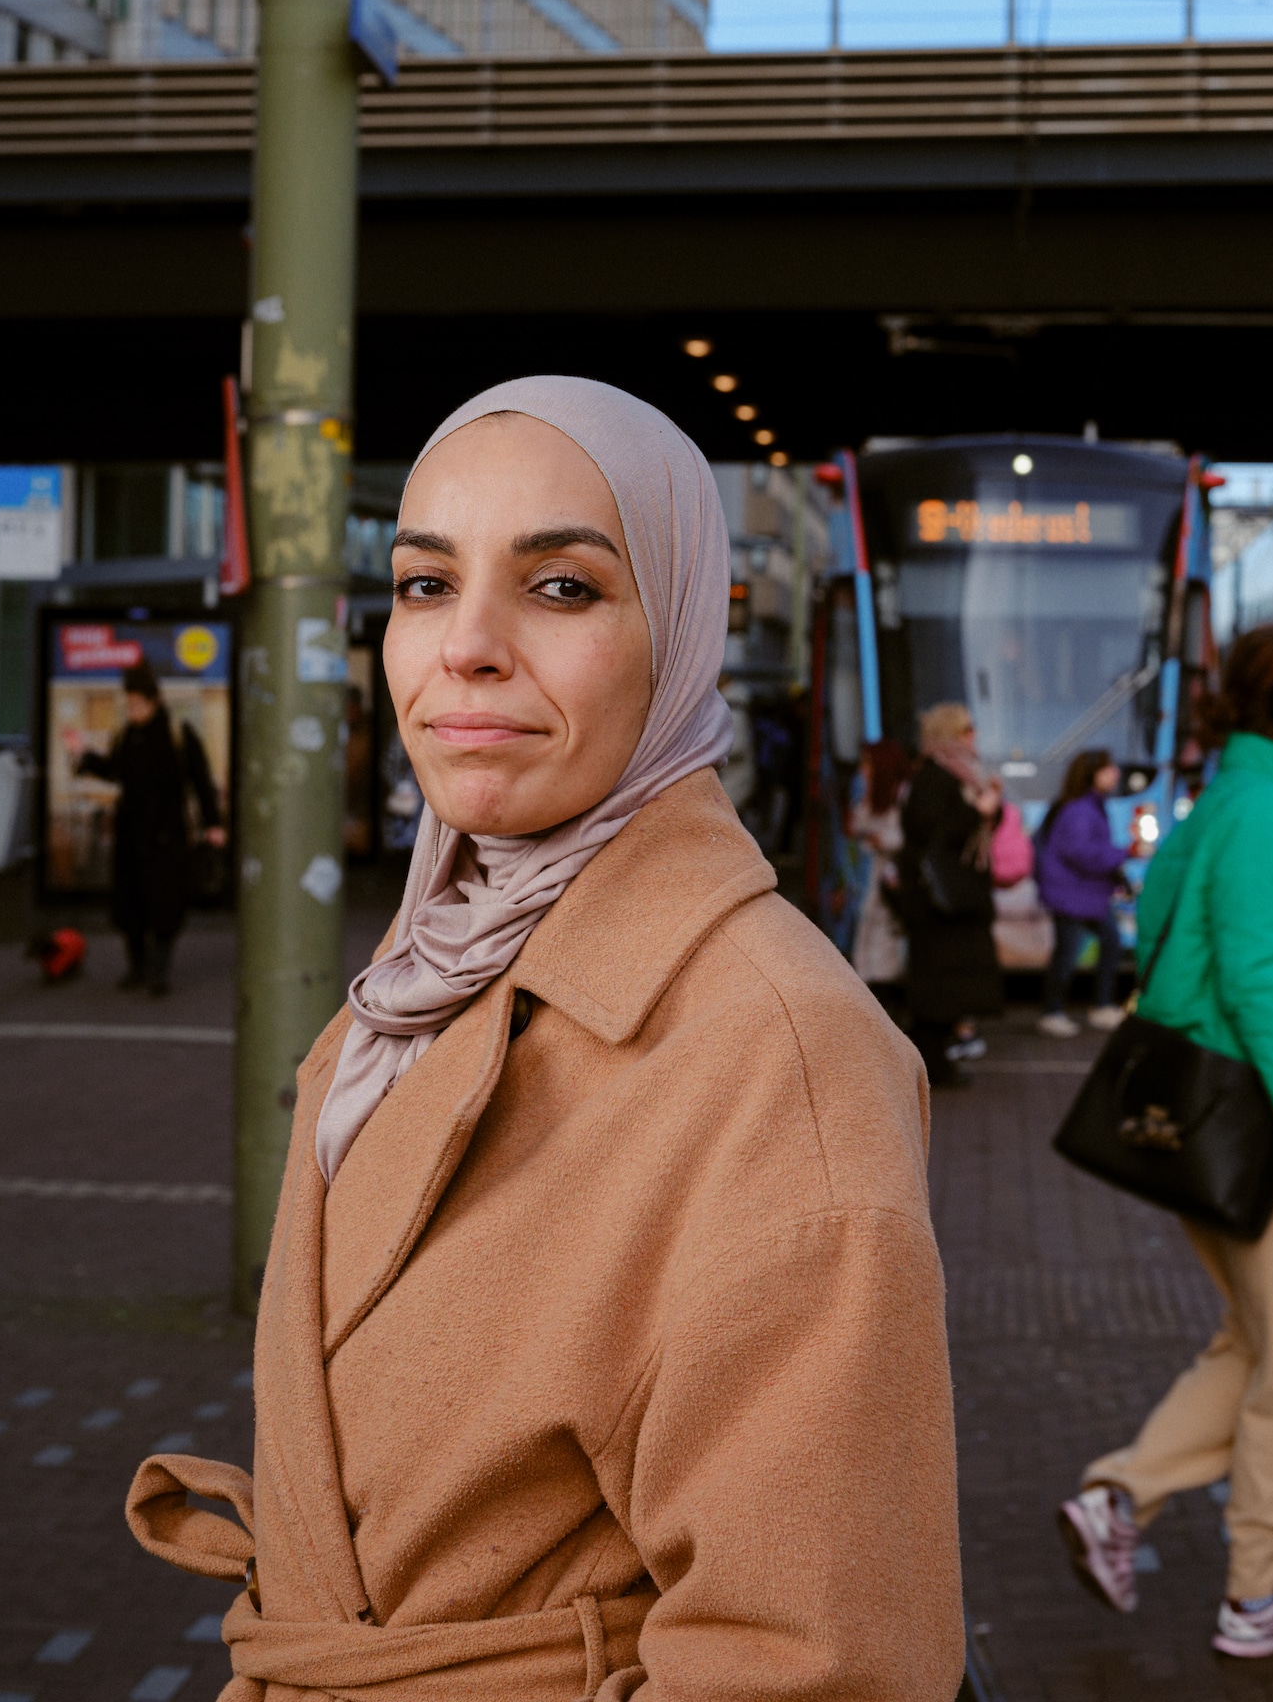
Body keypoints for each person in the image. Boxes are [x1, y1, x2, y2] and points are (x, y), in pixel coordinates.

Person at [122, 377, 963, 1698]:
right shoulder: (423, 972)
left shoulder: (778, 1053)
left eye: (562, 586)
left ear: (677, 633)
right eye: (422, 585)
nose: (466, 645)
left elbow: (817, 1663)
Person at [1056, 622, 1273, 1661]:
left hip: (1206, 1122)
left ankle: (1120, 1499)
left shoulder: (1224, 803)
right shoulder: (1270, 812)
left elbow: (1155, 931)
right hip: (1256, 1125)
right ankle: (1260, 1593)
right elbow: (1255, 977)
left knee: (1250, 1343)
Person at [64, 661, 223, 996]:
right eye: (129, 703)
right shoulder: (126, 735)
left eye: (137, 703)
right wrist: (84, 757)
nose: (131, 709)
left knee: (164, 904)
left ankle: (158, 971)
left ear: (153, 701)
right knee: (129, 904)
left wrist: (213, 823)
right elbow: (113, 770)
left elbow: (200, 780)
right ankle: (137, 968)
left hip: (167, 837)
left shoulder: (177, 732)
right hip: (130, 835)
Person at [898, 701, 1003, 1086]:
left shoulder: (960, 775)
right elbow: (935, 833)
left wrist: (989, 808)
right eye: (965, 730)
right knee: (936, 988)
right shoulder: (933, 777)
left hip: (950, 904)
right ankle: (932, 1065)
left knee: (946, 986)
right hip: (937, 905)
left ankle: (938, 1060)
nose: (974, 736)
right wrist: (979, 811)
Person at [1035, 747, 1135, 1037]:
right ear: (1093, 774)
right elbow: (1080, 852)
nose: (1115, 773)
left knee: (1107, 943)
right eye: (1108, 768)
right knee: (1068, 955)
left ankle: (1095, 1006)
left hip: (1084, 895)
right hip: (1074, 895)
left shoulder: (1085, 805)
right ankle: (1053, 1011)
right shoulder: (1081, 808)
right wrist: (1122, 854)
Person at [848, 737, 912, 987]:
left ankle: (883, 987)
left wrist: (878, 839)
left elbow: (902, 837)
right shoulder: (871, 792)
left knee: (885, 934)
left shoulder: (901, 795)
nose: (863, 771)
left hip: (890, 878)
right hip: (873, 877)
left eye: (868, 764)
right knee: (871, 928)